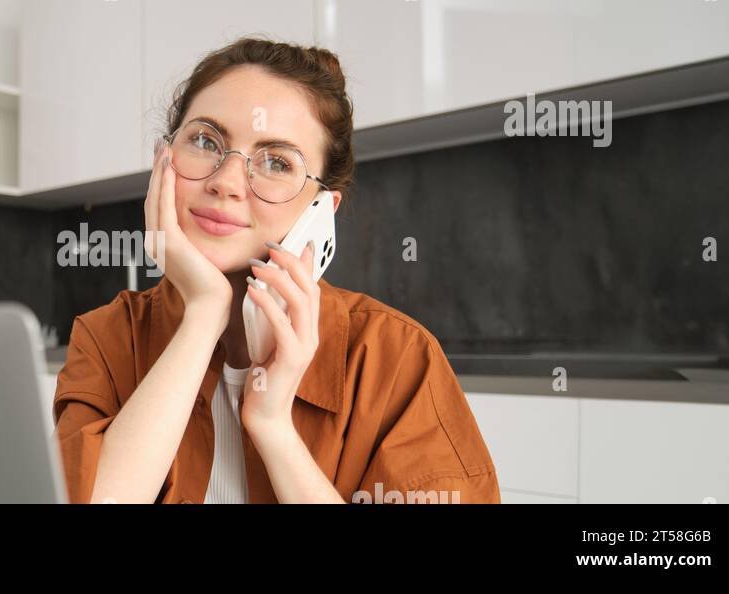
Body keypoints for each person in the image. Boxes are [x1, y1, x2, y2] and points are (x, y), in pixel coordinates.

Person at [54, 37, 499, 504]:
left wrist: (273, 429)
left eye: (277, 162)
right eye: (206, 140)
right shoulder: (107, 338)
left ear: (320, 209)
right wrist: (204, 313)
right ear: (162, 161)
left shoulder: (396, 358)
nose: (225, 182)